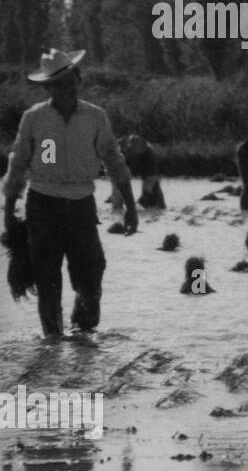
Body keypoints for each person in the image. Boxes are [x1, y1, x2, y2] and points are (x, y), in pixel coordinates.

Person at [2, 49, 137, 338]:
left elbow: (114, 160)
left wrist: (131, 208)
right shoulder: (33, 119)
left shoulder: (95, 117)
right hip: (42, 206)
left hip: (81, 207)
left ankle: (82, 334)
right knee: (47, 280)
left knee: (92, 275)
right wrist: (8, 212)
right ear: (47, 87)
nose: (64, 88)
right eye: (57, 84)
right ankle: (52, 340)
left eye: (69, 81)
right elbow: (18, 166)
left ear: (79, 80)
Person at [109, 134, 165, 210]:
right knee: (118, 192)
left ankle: (154, 206)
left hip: (145, 168)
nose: (135, 152)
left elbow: (151, 179)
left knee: (154, 195)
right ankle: (117, 208)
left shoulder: (149, 154)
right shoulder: (119, 150)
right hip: (118, 164)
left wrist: (145, 195)